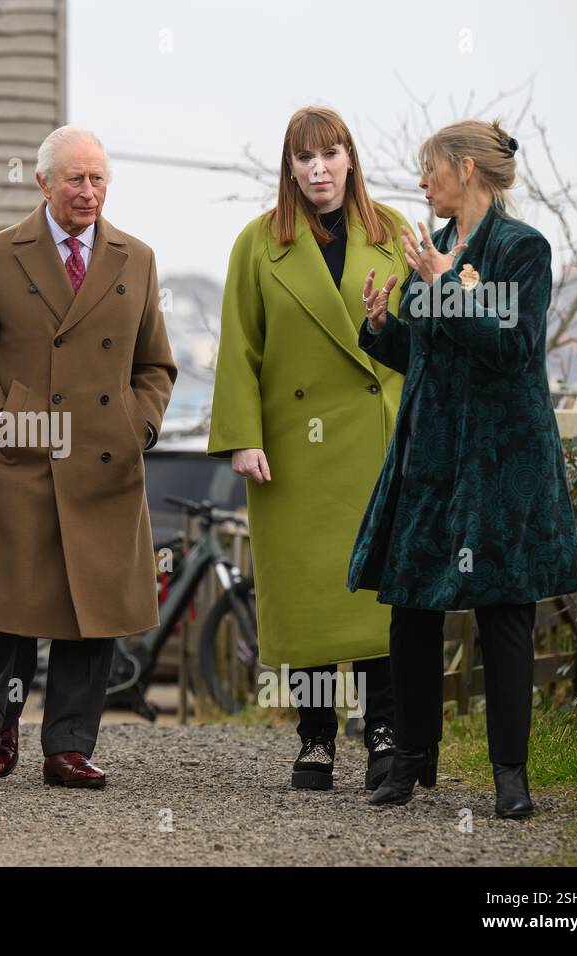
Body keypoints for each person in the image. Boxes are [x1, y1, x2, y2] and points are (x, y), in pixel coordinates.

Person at [352, 119, 577, 818]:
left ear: (464, 169)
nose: (423, 183)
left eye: (430, 169)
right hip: (428, 456)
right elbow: (426, 356)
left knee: (505, 613)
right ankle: (410, 761)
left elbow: (509, 347)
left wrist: (444, 284)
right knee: (412, 607)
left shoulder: (523, 249)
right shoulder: (436, 247)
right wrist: (380, 329)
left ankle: (510, 778)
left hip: (500, 461)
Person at [0, 126, 176, 789]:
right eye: (75, 178)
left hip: (106, 464)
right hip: (25, 459)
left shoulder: (137, 258)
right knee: (17, 612)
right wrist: (2, 422)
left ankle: (69, 747)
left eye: (98, 178)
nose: (88, 191)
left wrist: (139, 426)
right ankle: (2, 721)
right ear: (42, 182)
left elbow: (156, 364)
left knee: (92, 616)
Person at [208, 107, 411, 791]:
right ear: (289, 167)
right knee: (304, 594)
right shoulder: (257, 243)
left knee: (380, 591)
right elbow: (239, 345)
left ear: (350, 158)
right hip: (292, 449)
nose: (318, 169)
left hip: (377, 440)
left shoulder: (395, 234)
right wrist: (241, 437)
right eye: (304, 157)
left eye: (330, 154)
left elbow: (419, 345)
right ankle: (317, 738)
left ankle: (384, 732)